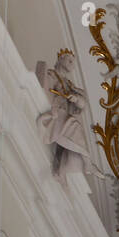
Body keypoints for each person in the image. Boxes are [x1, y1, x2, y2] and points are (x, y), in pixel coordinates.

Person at [35, 49, 93, 182]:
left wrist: (76, 99)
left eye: (73, 63)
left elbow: (82, 104)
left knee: (63, 149)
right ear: (61, 58)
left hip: (64, 115)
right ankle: (86, 160)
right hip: (57, 113)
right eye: (70, 60)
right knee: (73, 126)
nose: (72, 65)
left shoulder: (69, 84)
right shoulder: (52, 74)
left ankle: (60, 170)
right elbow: (46, 87)